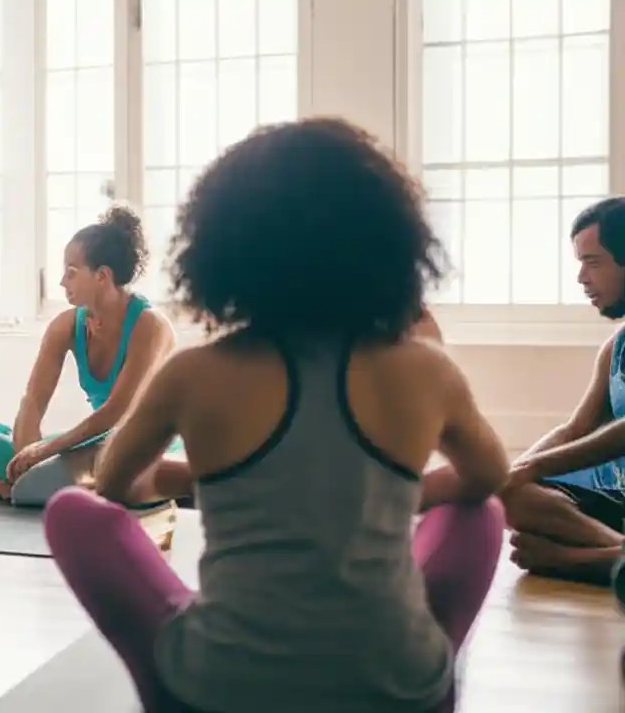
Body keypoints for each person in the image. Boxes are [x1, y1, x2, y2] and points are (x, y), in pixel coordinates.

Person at [43, 119, 508, 712]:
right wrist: (389, 493)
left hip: (220, 688)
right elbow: (489, 477)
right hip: (399, 690)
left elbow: (111, 484)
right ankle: (414, 668)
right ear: (388, 243)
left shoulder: (194, 374)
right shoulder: (425, 370)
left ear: (221, 247)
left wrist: (190, 478)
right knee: (479, 514)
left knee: (73, 512)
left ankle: (167, 689)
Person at [0, 205, 178, 507]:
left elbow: (117, 412)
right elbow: (33, 401)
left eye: (71, 272)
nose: (62, 282)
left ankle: (38, 489)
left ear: (102, 276)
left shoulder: (151, 326)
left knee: (110, 460)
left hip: (144, 445)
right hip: (94, 447)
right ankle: (41, 487)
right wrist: (28, 458)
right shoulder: (66, 325)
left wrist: (46, 450)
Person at [479, 197, 625, 585]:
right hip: (618, 500)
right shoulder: (616, 345)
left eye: (593, 262)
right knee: (517, 496)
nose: (581, 278)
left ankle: (573, 559)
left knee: (534, 520)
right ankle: (614, 554)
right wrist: (516, 472)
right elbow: (575, 428)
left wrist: (538, 467)